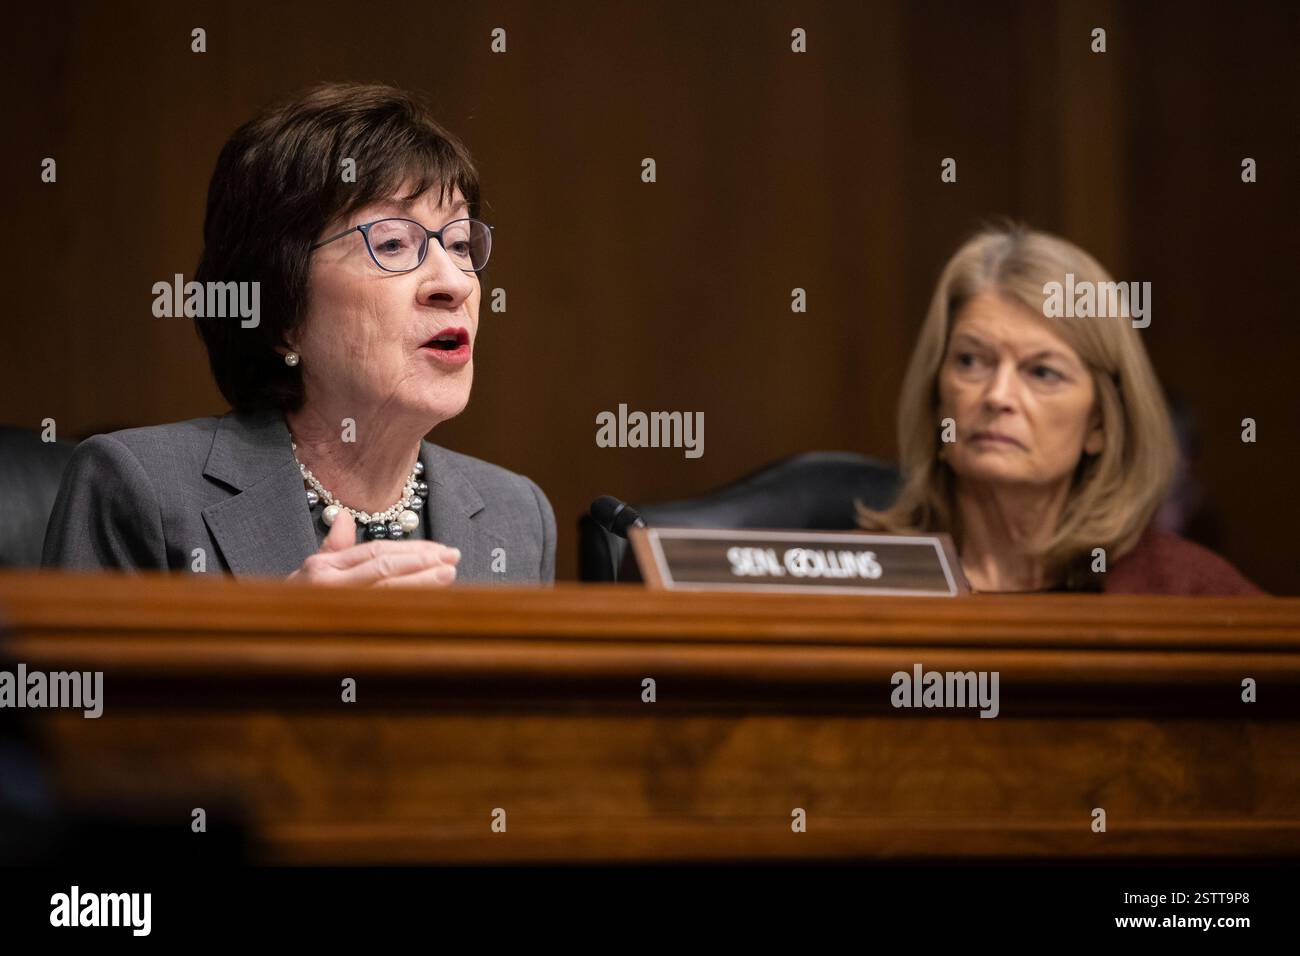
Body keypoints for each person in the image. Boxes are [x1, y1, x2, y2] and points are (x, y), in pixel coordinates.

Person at [42, 83, 555, 585]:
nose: (452, 284)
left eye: (461, 244)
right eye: (395, 243)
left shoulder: (518, 516)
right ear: (283, 308)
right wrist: (282, 648)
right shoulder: (138, 488)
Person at [858, 223, 1260, 595]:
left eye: (1042, 372)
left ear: (1100, 423)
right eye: (970, 361)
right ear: (936, 391)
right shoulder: (861, 575)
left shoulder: (1182, 590)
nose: (998, 396)